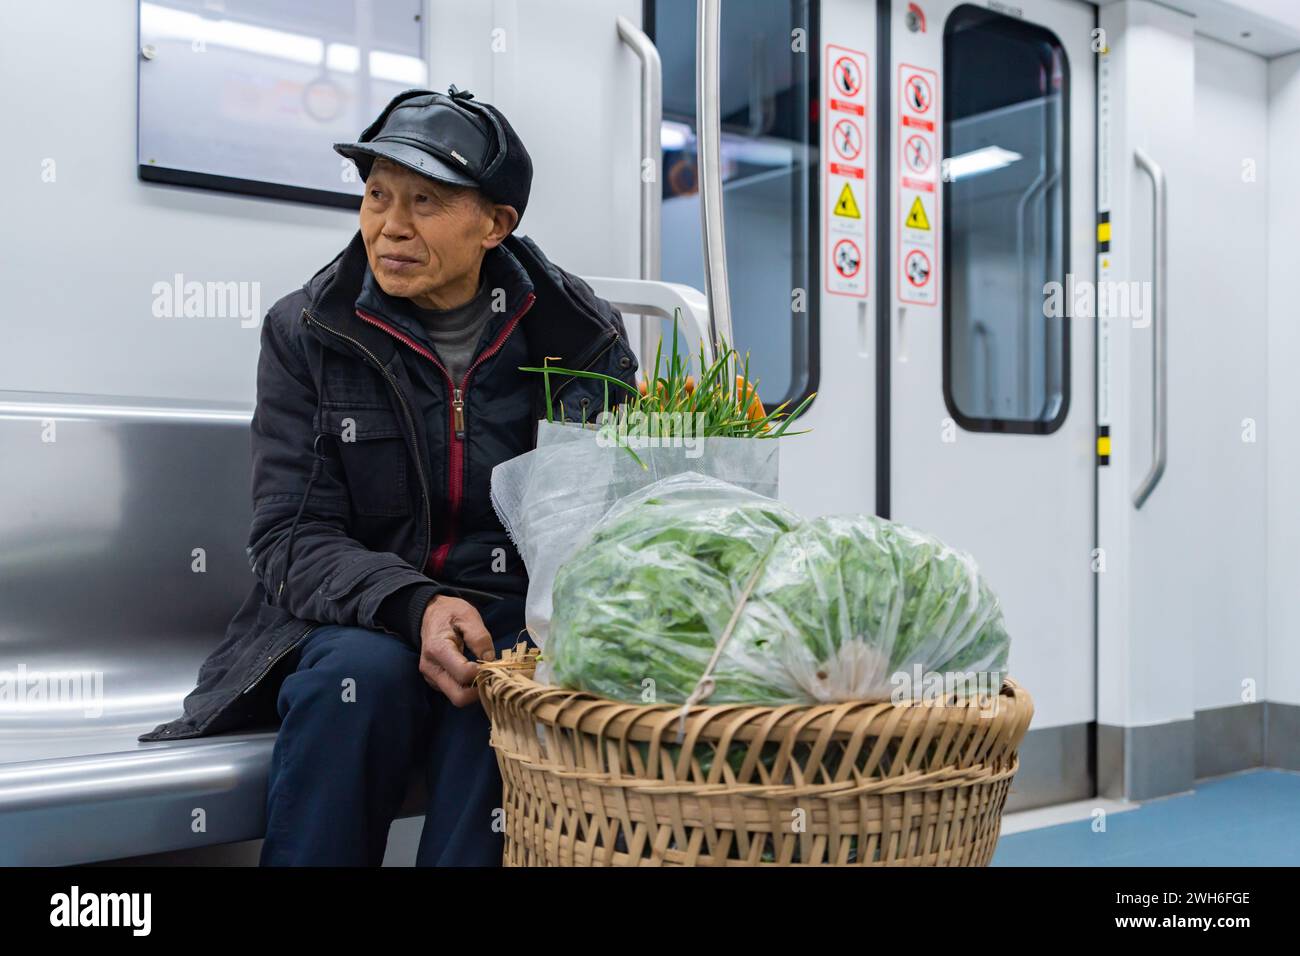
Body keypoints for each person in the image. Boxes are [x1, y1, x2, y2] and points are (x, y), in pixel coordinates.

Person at [139, 86, 639, 866]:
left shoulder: (579, 338)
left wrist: (519, 631)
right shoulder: (309, 330)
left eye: (425, 202)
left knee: (508, 700)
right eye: (376, 196)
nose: (389, 227)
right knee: (355, 686)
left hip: (515, 622)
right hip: (358, 616)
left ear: (496, 224)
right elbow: (290, 537)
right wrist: (415, 604)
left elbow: (606, 527)